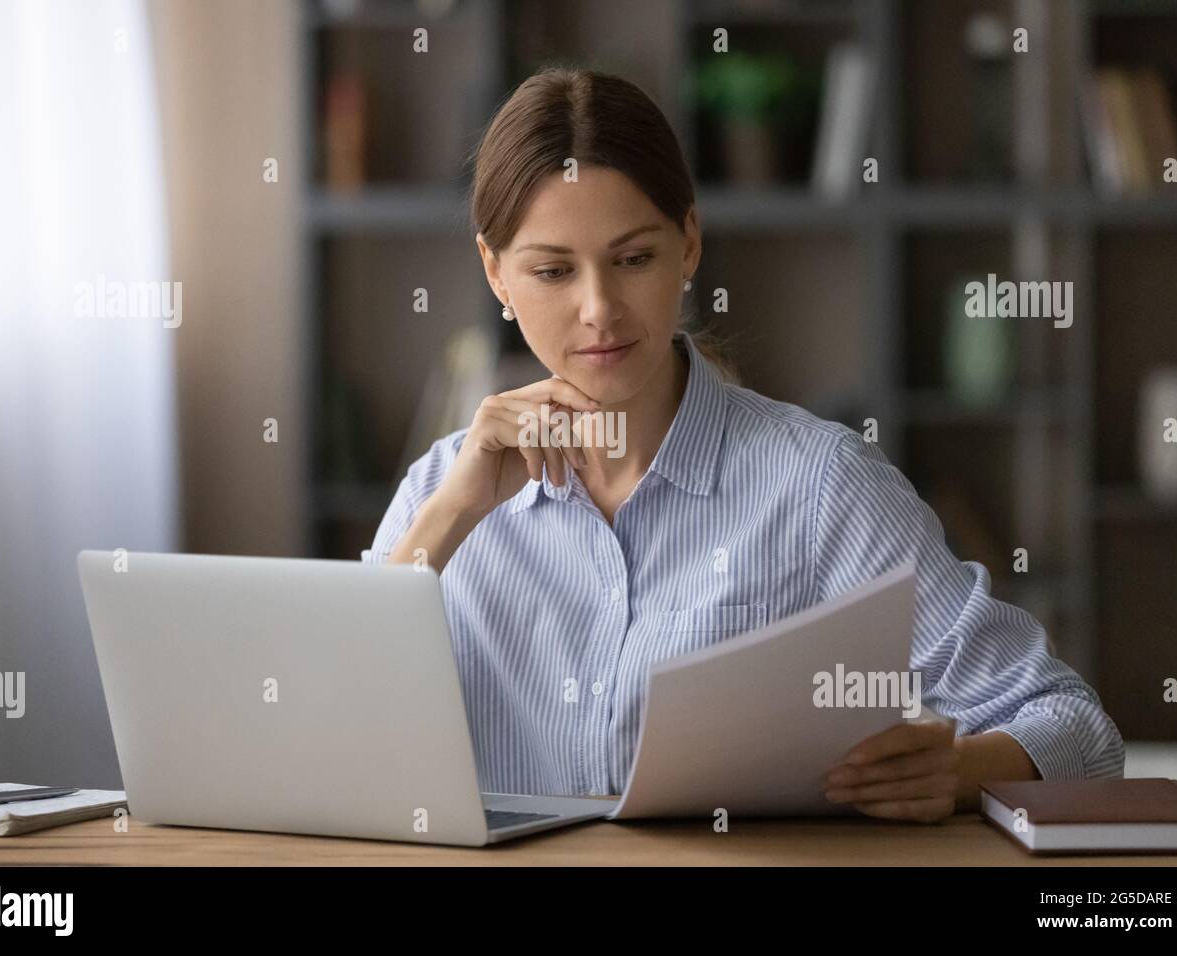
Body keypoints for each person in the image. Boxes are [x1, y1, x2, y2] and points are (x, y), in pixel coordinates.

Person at [364, 67, 1124, 822]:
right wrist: (454, 512)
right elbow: (335, 734)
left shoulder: (820, 485)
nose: (598, 308)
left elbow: (1078, 731)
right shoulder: (442, 487)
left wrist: (959, 770)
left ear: (688, 245)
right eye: (553, 270)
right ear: (496, 273)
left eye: (633, 259)